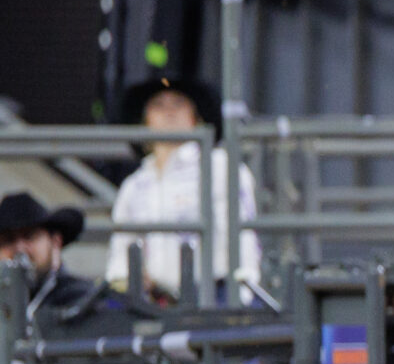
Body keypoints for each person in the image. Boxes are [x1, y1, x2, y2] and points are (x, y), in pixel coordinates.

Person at [106, 74, 261, 304]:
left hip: (214, 295)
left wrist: (241, 296)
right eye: (158, 105)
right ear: (145, 120)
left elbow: (242, 239)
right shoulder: (134, 185)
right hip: (154, 302)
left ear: (195, 118)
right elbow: (120, 254)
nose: (169, 112)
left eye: (179, 104)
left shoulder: (220, 166)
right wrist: (126, 282)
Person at [0, 191, 92, 325]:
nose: (19, 249)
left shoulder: (81, 300)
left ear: (55, 242)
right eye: (8, 240)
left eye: (29, 236)